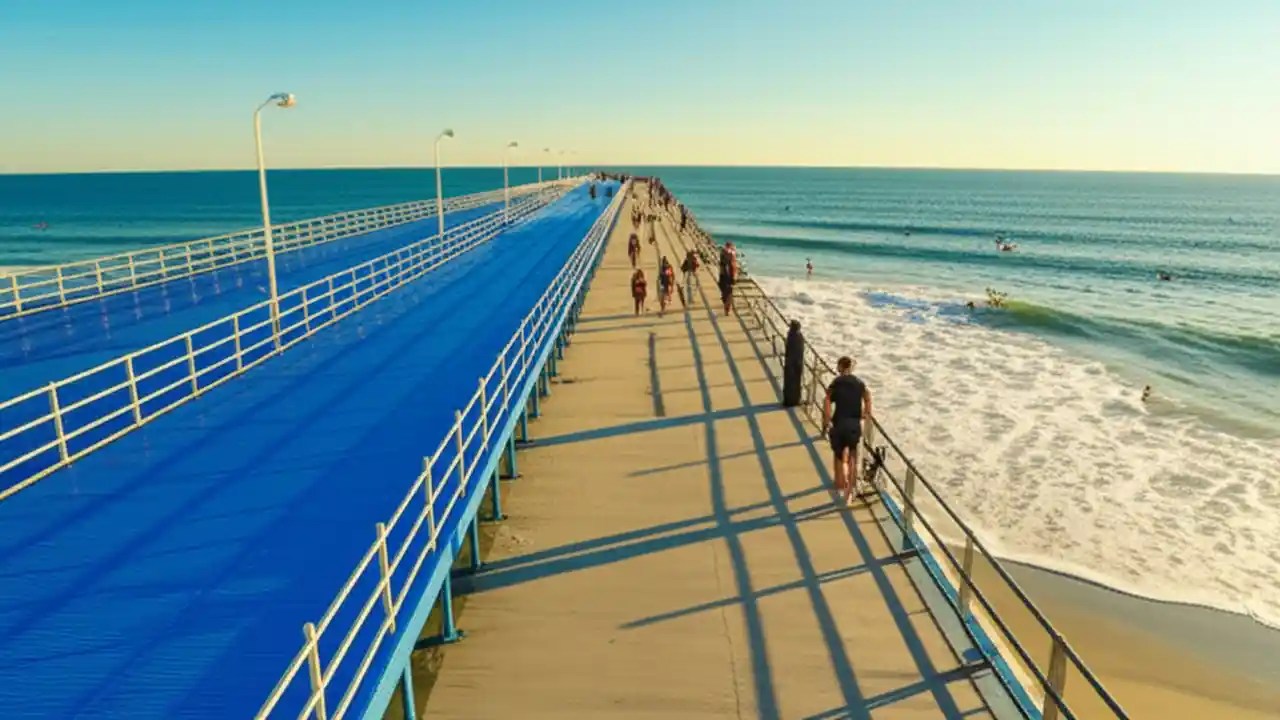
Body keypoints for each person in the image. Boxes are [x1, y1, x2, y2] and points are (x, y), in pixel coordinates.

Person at [822, 356, 873, 507]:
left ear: (839, 367)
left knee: (838, 456)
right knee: (852, 456)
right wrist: (866, 413)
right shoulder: (859, 383)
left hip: (839, 423)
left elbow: (827, 399)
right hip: (853, 424)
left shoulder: (836, 383)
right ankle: (849, 493)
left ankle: (839, 483)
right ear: (851, 368)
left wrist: (827, 419)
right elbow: (868, 397)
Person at [718, 241, 738, 316]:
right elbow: (732, 267)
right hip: (727, 275)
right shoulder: (730, 254)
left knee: (726, 292)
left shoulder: (725, 253)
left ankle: (727, 308)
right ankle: (727, 308)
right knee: (728, 292)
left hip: (726, 275)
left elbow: (729, 266)